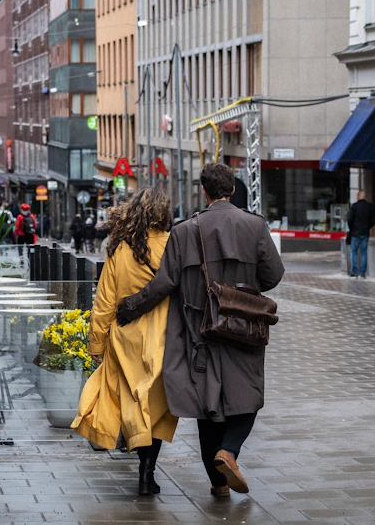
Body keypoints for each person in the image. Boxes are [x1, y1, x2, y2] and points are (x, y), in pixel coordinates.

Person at [116, 162, 284, 497]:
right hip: (243, 328)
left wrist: (129, 307)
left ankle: (219, 484)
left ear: (204, 191)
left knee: (209, 410)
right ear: (232, 189)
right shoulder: (254, 225)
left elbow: (164, 283)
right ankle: (229, 452)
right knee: (248, 397)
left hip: (199, 333)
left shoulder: (183, 232)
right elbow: (273, 275)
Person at [73, 188, 178, 496]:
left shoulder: (120, 248)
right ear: (163, 213)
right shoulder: (172, 245)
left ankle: (141, 464)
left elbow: (104, 302)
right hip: (163, 336)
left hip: (125, 336)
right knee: (156, 408)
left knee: (134, 402)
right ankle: (147, 471)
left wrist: (96, 343)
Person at [346, 190, 375, 278]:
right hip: (365, 233)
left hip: (355, 233)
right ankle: (363, 273)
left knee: (354, 252)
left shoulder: (354, 206)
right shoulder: (370, 206)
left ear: (358, 196)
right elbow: (374, 220)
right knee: (364, 252)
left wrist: (352, 228)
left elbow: (349, 219)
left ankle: (355, 272)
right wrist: (368, 226)